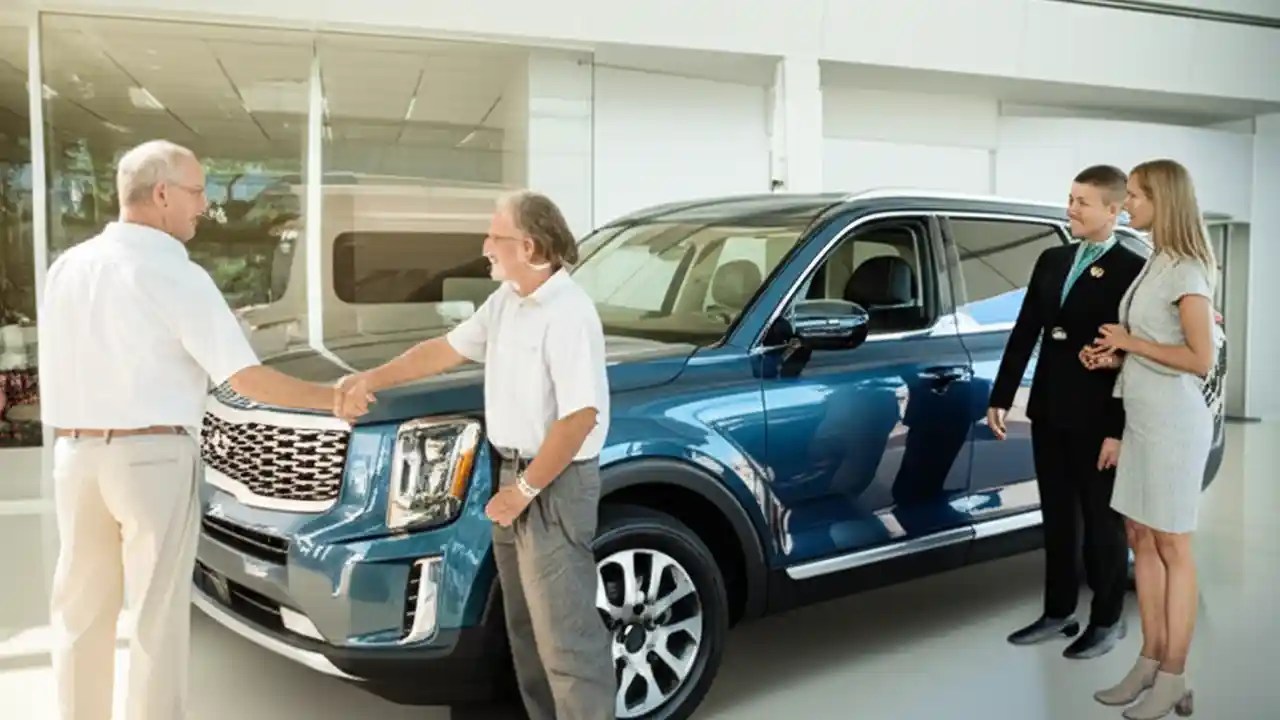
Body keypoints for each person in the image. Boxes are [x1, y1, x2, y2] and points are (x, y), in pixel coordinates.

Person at [38, 139, 368, 720]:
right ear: (161, 193)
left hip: (74, 455)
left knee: (79, 614)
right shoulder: (173, 270)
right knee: (155, 617)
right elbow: (247, 380)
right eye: (196, 192)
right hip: (150, 459)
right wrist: (332, 399)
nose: (205, 205)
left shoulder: (68, 267)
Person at [336, 189, 615, 720]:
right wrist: (373, 378)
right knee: (527, 632)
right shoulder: (507, 299)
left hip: (552, 484)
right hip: (511, 473)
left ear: (529, 246)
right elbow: (443, 349)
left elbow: (580, 419)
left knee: (567, 638)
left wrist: (525, 490)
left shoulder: (569, 313)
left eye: (495, 236)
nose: (485, 246)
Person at [987, 164, 1144, 659]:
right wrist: (1002, 394)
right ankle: (1058, 612)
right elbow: (1027, 328)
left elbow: (1135, 358)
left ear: (1113, 210)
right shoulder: (1052, 259)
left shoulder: (1131, 270)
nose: (1071, 208)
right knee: (1057, 516)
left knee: (1102, 521)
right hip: (1050, 406)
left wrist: (1119, 430)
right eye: (1070, 198)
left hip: (1099, 414)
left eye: (1082, 201)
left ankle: (1107, 619)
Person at [1086, 159, 1215, 719]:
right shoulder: (1155, 261)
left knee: (1172, 546)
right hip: (1141, 419)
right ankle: (1149, 662)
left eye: (1135, 195)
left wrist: (1132, 346)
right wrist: (1114, 352)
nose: (1128, 202)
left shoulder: (1188, 269)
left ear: (1163, 200)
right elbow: (1147, 339)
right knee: (1141, 536)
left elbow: (1200, 359)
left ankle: (1174, 675)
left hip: (1173, 425)